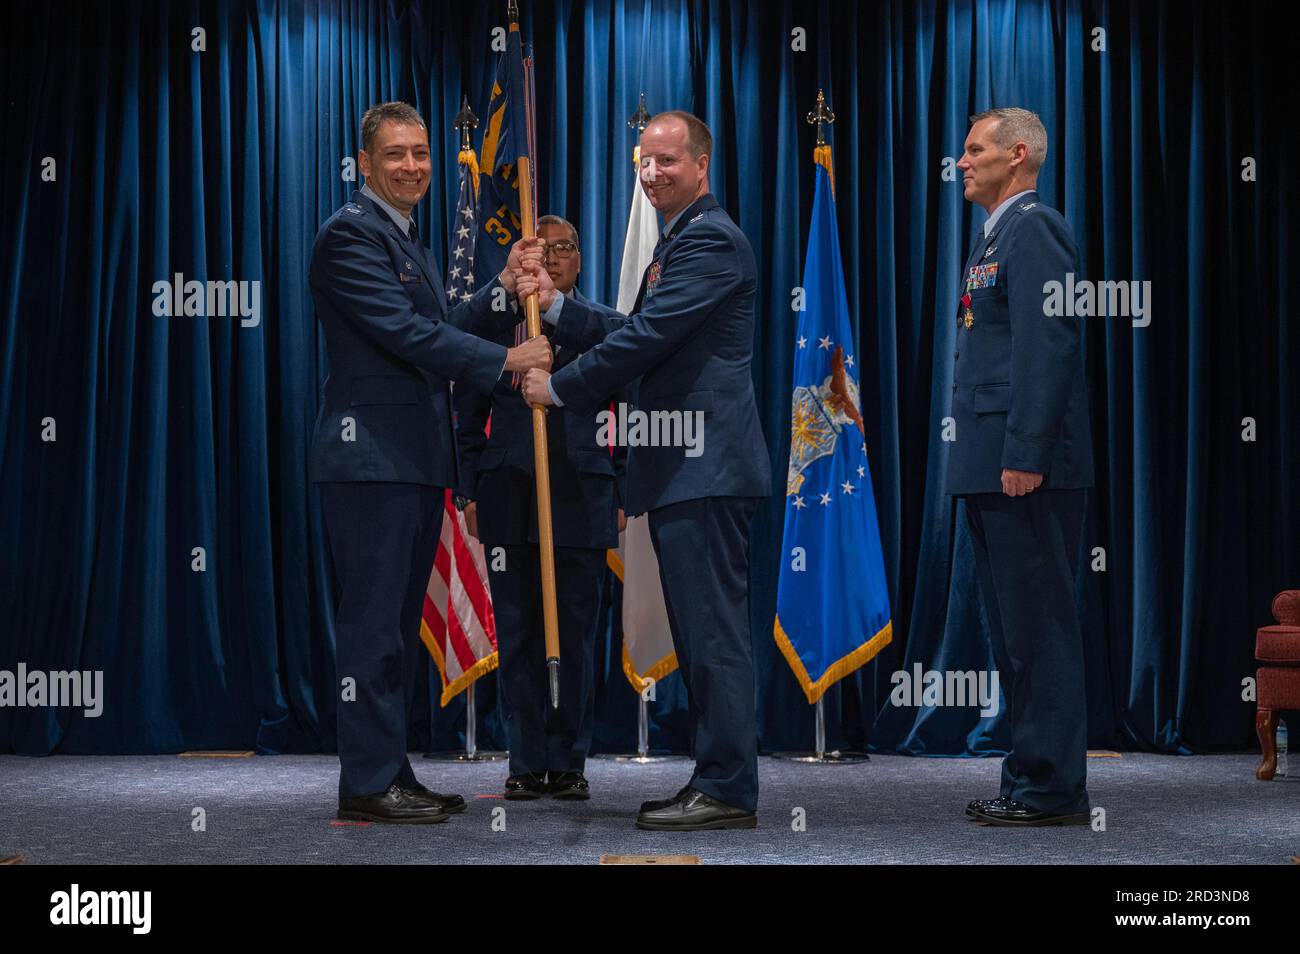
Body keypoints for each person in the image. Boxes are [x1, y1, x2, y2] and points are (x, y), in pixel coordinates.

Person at [519, 111, 771, 831]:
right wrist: (559, 307)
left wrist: (559, 387)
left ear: (701, 165)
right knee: (701, 633)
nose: (653, 174)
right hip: (683, 468)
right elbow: (635, 332)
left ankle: (726, 788)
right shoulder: (680, 241)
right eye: (644, 162)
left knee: (714, 635)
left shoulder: (711, 241)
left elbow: (647, 341)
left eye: (668, 161)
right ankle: (715, 777)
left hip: (707, 466)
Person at [309, 101, 551, 824]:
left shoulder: (401, 237)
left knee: (392, 630)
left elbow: (438, 325)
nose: (413, 166)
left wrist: (501, 289)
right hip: (369, 464)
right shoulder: (348, 237)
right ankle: (367, 781)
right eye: (396, 155)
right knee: (373, 630)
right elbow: (408, 335)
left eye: (420, 153)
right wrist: (507, 359)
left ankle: (390, 770)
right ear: (365, 163)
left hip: (411, 463)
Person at [948, 107, 1094, 826]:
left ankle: (1052, 788)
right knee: (1015, 632)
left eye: (975, 150)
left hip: (1021, 463)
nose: (961, 161)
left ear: (1017, 155)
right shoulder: (996, 235)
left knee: (1040, 629)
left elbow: (1049, 343)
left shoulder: (1035, 227)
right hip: (990, 460)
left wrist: (1027, 453)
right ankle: (1027, 776)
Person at [455, 215, 626, 802]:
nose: (552, 258)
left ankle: (569, 760)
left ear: (579, 259)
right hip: (508, 492)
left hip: (583, 493)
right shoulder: (494, 327)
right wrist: (469, 489)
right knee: (521, 629)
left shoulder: (598, 324)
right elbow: (466, 414)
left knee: (576, 632)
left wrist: (623, 490)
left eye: (564, 249)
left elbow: (627, 412)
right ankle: (526, 760)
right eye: (539, 249)